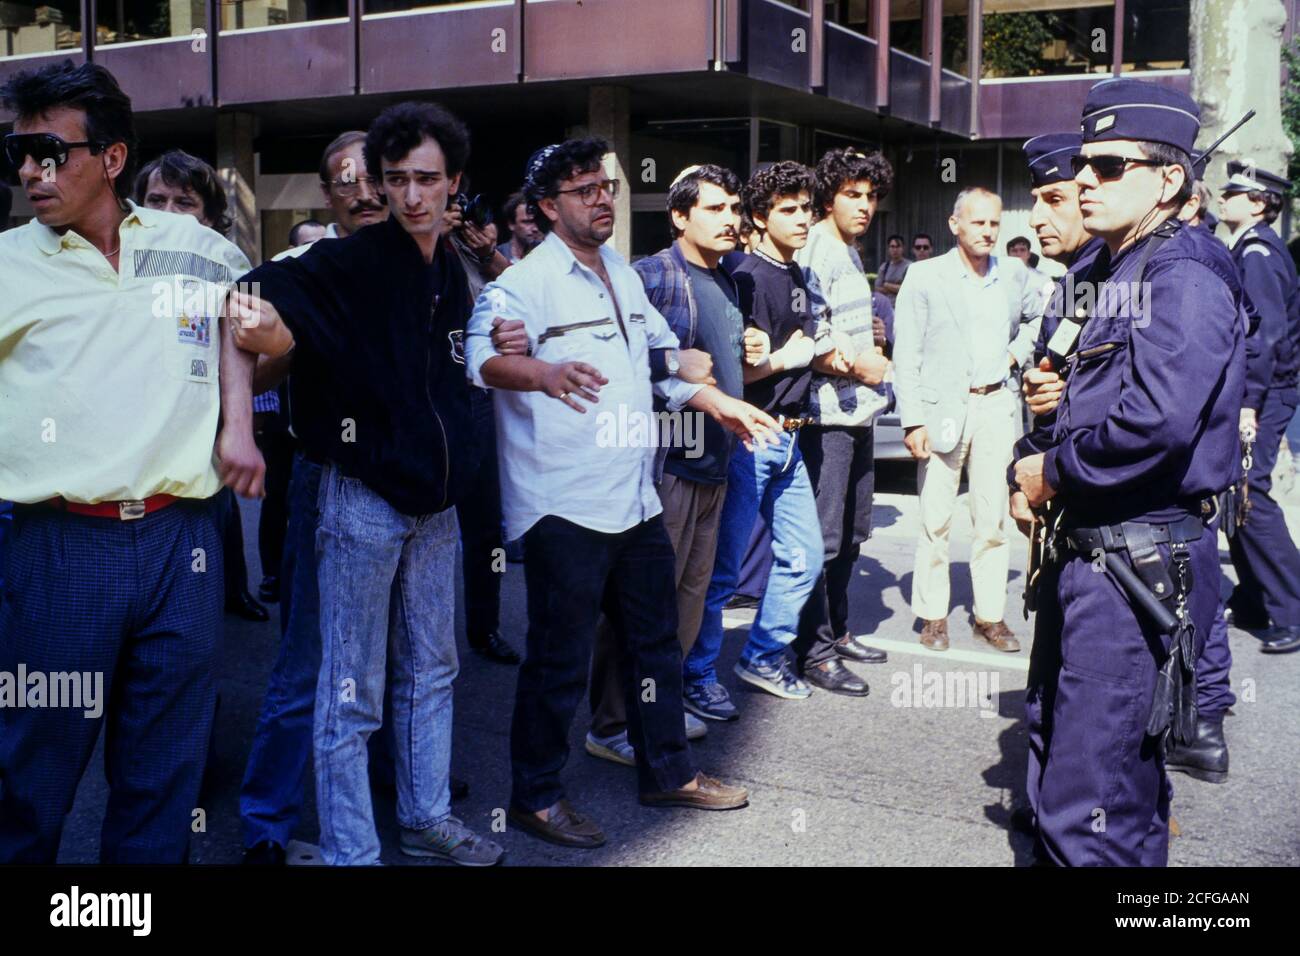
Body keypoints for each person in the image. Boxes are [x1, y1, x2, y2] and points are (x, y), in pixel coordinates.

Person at [466, 139, 765, 848]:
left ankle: (668, 770)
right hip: (562, 503)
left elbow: (661, 363)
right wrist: (535, 371)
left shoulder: (624, 279)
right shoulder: (523, 285)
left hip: (635, 499)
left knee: (655, 643)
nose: (601, 199)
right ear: (545, 207)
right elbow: (482, 359)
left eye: (604, 187)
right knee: (559, 659)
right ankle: (535, 796)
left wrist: (719, 403)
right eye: (582, 190)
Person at [0, 60, 262, 862]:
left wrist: (245, 413)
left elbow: (239, 333)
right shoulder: (7, 262)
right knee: (31, 780)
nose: (29, 172)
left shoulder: (199, 248)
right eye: (18, 153)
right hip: (56, 548)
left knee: (162, 778)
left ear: (113, 159)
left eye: (51, 152)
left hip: (183, 544)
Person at [230, 102, 503, 867]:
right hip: (359, 497)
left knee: (434, 669)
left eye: (427, 179)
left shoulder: (449, 265)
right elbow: (238, 306)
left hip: (435, 507)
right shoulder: (349, 260)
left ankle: (422, 816)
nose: (411, 196)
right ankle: (352, 850)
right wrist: (236, 428)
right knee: (350, 686)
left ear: (454, 183)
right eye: (397, 181)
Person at [1012, 78, 1245, 866]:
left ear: (1168, 178)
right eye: (1083, 164)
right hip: (1097, 556)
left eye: (1107, 168)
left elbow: (1154, 424)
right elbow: (1091, 400)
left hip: (1131, 565)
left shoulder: (1178, 274)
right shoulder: (1123, 266)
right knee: (1082, 783)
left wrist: (1051, 473)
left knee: (1095, 808)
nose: (1083, 181)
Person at [238, 129, 403, 866]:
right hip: (327, 479)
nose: (365, 193)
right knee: (309, 659)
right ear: (326, 193)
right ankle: (264, 828)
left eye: (376, 178)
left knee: (401, 655)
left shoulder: (426, 261)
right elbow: (254, 377)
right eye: (346, 182)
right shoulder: (293, 270)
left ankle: (398, 792)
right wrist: (291, 344)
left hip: (413, 491)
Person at [585, 163, 747, 761]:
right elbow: (614, 364)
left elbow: (724, 369)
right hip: (667, 464)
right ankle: (609, 724)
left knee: (687, 602)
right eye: (714, 208)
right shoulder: (648, 275)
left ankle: (656, 705)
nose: (730, 218)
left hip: (716, 463)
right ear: (679, 216)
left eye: (733, 207)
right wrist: (673, 363)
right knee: (640, 602)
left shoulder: (731, 279)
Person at [683, 160, 839, 709]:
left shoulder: (798, 275)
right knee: (721, 574)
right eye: (788, 210)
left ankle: (762, 655)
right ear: (760, 217)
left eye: (808, 209)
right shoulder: (744, 276)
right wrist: (783, 358)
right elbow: (734, 372)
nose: (802, 220)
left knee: (804, 556)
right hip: (750, 436)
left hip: (790, 437)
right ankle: (697, 676)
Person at [894, 187, 1045, 653]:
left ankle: (989, 616)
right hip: (943, 408)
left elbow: (1046, 314)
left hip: (996, 405)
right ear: (954, 224)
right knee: (935, 518)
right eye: (978, 222)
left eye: (995, 223)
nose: (988, 231)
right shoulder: (925, 275)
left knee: (992, 518)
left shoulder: (1015, 274)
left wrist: (1017, 355)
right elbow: (907, 351)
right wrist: (912, 420)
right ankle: (934, 615)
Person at [133, 148, 270, 624]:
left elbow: (249, 351)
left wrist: (237, 428)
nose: (167, 214)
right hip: (126, 466)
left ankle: (232, 594)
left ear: (210, 218)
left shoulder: (233, 269)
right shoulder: (110, 268)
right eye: (156, 200)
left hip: (200, 453)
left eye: (184, 203)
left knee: (197, 579)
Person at [790, 148, 894, 696]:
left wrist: (869, 332)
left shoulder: (850, 252)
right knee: (824, 538)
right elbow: (806, 335)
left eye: (871, 196)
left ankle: (840, 629)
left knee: (854, 533)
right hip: (826, 416)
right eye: (853, 195)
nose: (865, 206)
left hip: (860, 412)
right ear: (828, 197)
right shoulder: (813, 249)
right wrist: (858, 359)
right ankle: (814, 651)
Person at [1218, 162, 1300, 655]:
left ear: (1258, 203)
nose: (1223, 198)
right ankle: (1253, 597)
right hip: (1261, 391)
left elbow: (1265, 338)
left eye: (1235, 193)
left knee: (1253, 494)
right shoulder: (1251, 249)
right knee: (1237, 493)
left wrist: (1249, 402)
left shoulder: (1258, 253)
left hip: (1265, 395)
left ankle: (1292, 608)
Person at [500, 190, 542, 263]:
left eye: (536, 222)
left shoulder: (546, 252)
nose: (535, 228)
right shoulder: (499, 254)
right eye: (527, 222)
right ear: (511, 224)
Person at [877, 233, 911, 303]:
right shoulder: (884, 267)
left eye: (898, 246)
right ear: (888, 248)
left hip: (903, 304)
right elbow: (877, 288)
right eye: (892, 246)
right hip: (886, 306)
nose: (895, 249)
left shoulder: (909, 266)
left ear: (903, 248)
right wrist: (896, 289)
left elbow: (908, 289)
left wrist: (887, 285)